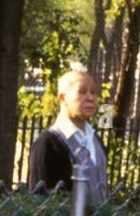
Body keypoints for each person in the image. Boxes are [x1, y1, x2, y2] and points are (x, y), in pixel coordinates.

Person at [27, 69, 110, 203]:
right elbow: (40, 202)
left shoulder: (96, 140)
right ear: (62, 98)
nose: (90, 98)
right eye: (82, 92)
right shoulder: (48, 143)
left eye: (94, 92)